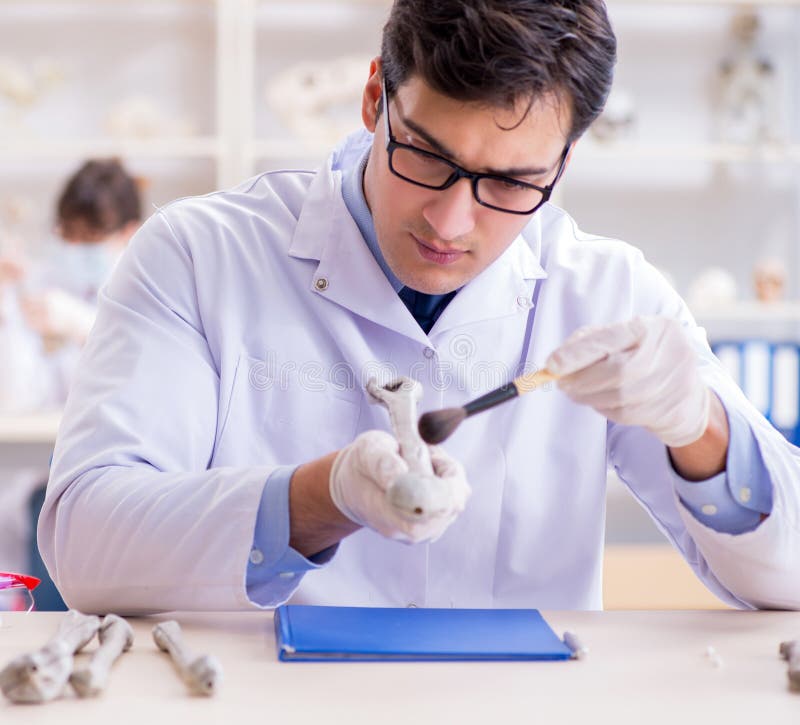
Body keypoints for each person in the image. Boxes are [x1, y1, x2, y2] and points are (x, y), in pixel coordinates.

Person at [39, 0, 800, 614]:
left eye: (510, 182)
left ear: (564, 161)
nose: (451, 222)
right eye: (428, 157)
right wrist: (318, 497)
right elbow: (86, 547)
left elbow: (789, 578)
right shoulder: (200, 256)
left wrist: (696, 423)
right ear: (375, 97)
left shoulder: (605, 291)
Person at [0, 158, 142, 610]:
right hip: (46, 477)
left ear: (130, 233)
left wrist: (83, 325)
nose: (78, 247)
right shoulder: (43, 287)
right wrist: (9, 300)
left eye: (92, 236)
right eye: (69, 234)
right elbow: (21, 394)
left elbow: (143, 370)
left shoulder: (152, 288)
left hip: (127, 483)